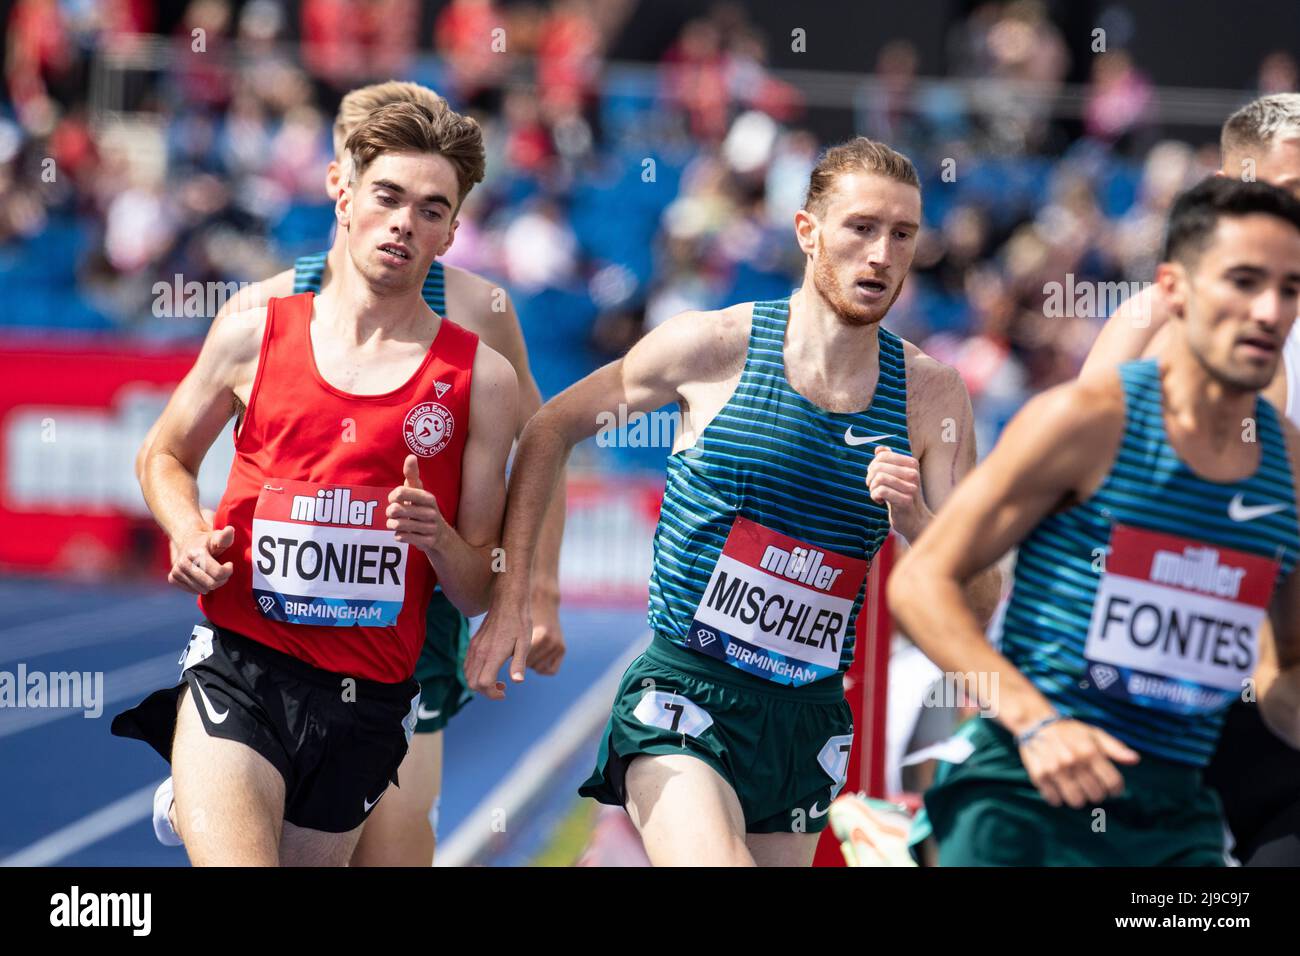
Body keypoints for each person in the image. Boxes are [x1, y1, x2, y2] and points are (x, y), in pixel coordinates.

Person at [466, 137, 1001, 866]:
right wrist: (517, 594)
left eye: (902, 235)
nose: (881, 254)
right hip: (686, 692)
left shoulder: (932, 398)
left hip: (807, 721)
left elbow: (977, 599)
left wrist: (918, 526)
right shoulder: (712, 347)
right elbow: (550, 429)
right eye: (861, 228)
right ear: (808, 233)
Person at [133, 80, 567, 867]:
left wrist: (519, 588)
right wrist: (188, 527)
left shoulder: (481, 357)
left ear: (453, 229)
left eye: (431, 209)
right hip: (243, 666)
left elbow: (539, 455)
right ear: (341, 189)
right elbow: (164, 453)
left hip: (380, 678)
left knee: (398, 853)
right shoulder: (255, 323)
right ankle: (209, 783)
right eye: (387, 196)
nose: (403, 222)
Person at [891, 177, 1300, 866]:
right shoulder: (1084, 422)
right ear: (1173, 290)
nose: (1268, 310)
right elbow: (920, 585)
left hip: (1173, 818)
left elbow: (1286, 670)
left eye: (1290, 288)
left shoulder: (1287, 465)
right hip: (1021, 801)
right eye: (1243, 281)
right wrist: (1036, 719)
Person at [1079, 92, 1300, 865]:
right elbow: (1073, 502)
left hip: (1273, 693)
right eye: (1289, 192)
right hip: (1146, 679)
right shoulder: (1145, 325)